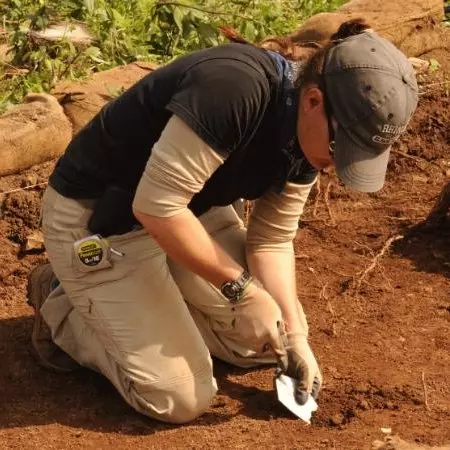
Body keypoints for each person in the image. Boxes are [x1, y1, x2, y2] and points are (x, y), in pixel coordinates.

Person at [27, 19, 418, 424]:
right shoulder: (232, 89)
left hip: (190, 215)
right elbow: (156, 207)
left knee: (267, 341)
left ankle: (155, 302)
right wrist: (244, 291)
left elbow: (272, 239)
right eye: (341, 147)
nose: (339, 165)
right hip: (103, 223)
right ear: (314, 101)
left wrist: (295, 335)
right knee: (178, 396)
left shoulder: (311, 134)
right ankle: (61, 300)